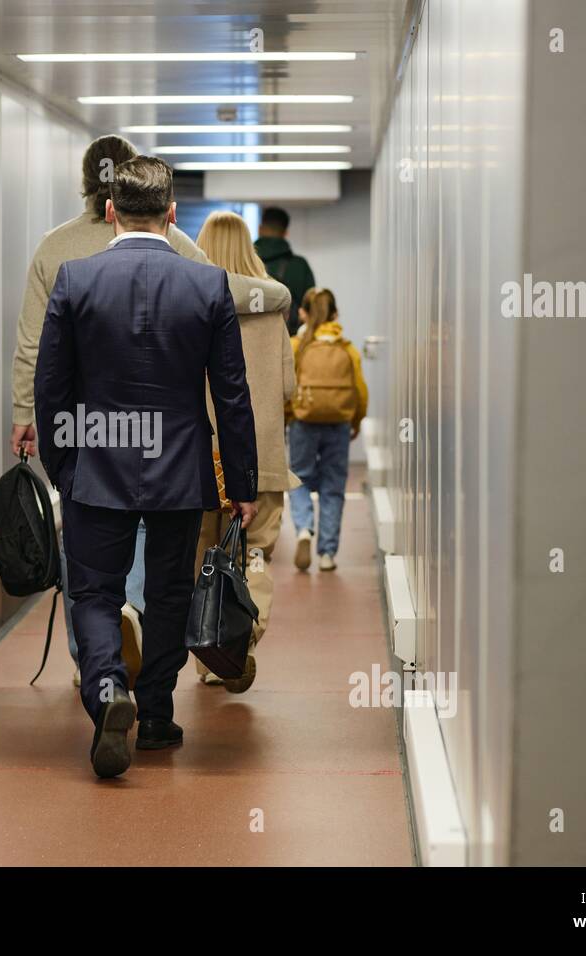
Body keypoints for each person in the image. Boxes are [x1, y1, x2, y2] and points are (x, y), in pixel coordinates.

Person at [10, 134, 274, 688]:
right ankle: (156, 713)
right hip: (180, 464)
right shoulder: (206, 283)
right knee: (169, 590)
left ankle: (106, 688)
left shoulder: (74, 277)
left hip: (95, 457)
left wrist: (64, 465)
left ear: (111, 212)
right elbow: (232, 392)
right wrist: (243, 483)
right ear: (172, 214)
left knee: (95, 589)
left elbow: (49, 380)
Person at [191, 211, 296, 693]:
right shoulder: (272, 305)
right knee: (255, 556)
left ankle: (209, 654)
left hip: (201, 457)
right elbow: (290, 386)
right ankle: (243, 642)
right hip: (264, 459)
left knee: (204, 556)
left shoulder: (189, 300)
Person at [287, 288, 368, 572]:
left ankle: (304, 530)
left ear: (303, 313)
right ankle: (327, 554)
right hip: (338, 425)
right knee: (333, 487)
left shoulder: (297, 346)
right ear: (335, 314)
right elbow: (360, 390)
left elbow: (285, 388)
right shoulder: (347, 348)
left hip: (303, 423)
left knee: (298, 479)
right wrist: (355, 421)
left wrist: (289, 417)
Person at [254, 206, 316, 334]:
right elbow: (312, 308)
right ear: (285, 233)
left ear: (260, 229)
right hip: (290, 342)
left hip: (250, 342)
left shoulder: (245, 263)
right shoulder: (300, 265)